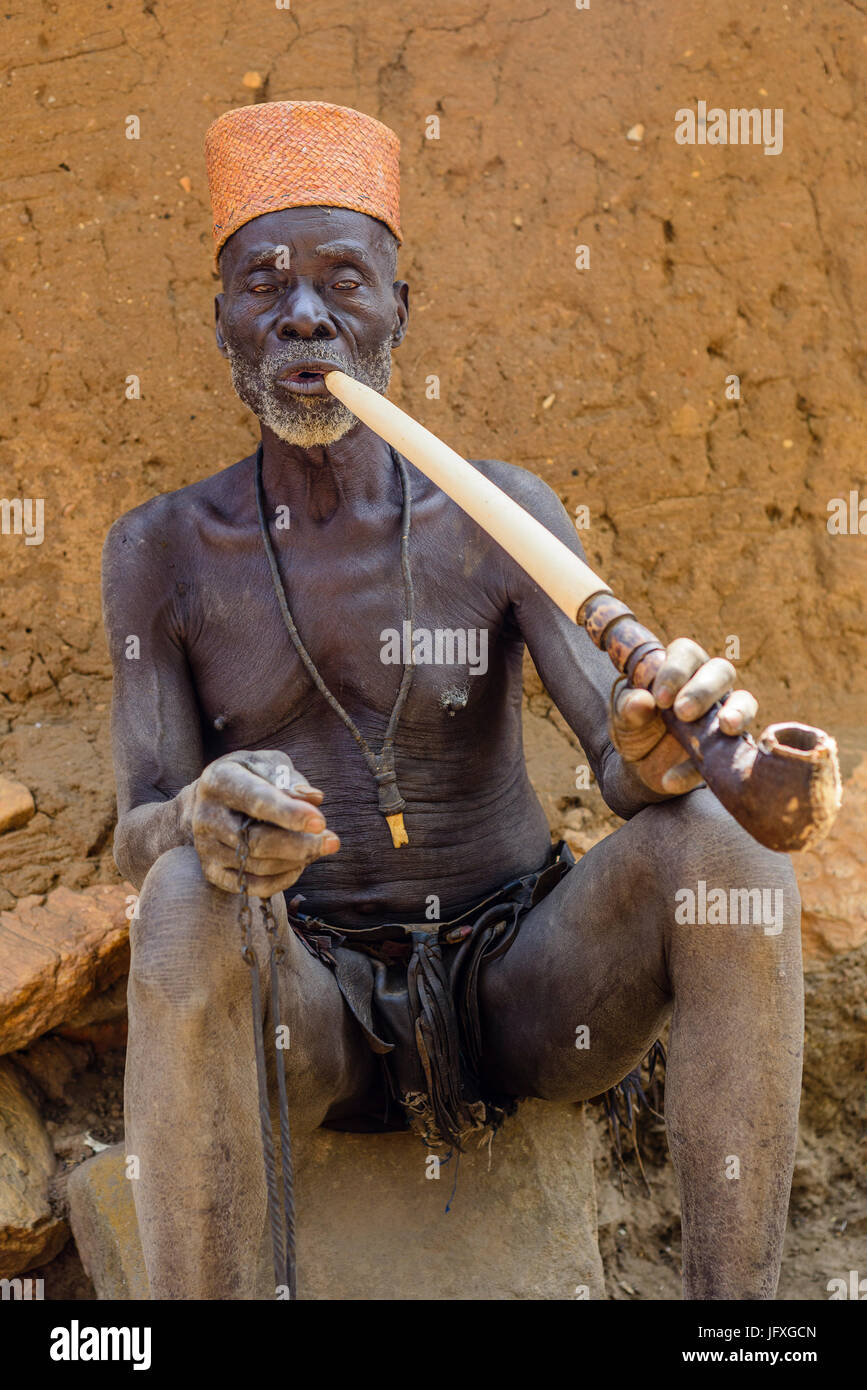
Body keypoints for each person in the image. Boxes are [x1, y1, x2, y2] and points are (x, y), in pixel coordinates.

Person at [102, 100, 802, 1300]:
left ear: (398, 311)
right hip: (307, 1012)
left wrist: (667, 750)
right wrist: (199, 821)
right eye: (263, 283)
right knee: (177, 897)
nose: (305, 314)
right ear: (220, 319)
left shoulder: (495, 511)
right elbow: (136, 828)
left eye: (343, 281)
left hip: (524, 989)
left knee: (729, 852)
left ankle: (739, 1328)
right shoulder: (162, 550)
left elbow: (628, 770)